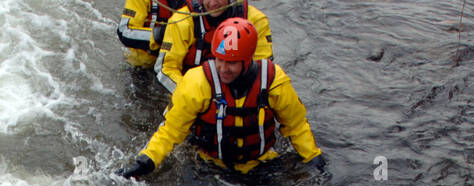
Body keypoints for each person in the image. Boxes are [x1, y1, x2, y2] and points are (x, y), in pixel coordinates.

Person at [117, 18, 323, 177]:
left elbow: (296, 125)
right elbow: (170, 131)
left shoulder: (273, 81)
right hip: (209, 166)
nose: (224, 69)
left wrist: (313, 157)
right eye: (220, 60)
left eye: (231, 63)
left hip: (261, 164)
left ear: (248, 59)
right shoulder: (196, 83)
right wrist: (147, 161)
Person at [154, 0, 272, 93]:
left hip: (238, 90)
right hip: (194, 91)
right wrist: (190, 92)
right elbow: (166, 69)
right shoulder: (181, 21)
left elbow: (263, 70)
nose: (212, 3)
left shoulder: (256, 21)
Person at [116, 0, 184, 68]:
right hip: (141, 65)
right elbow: (124, 31)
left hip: (175, 65)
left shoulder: (191, 5)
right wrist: (159, 34)